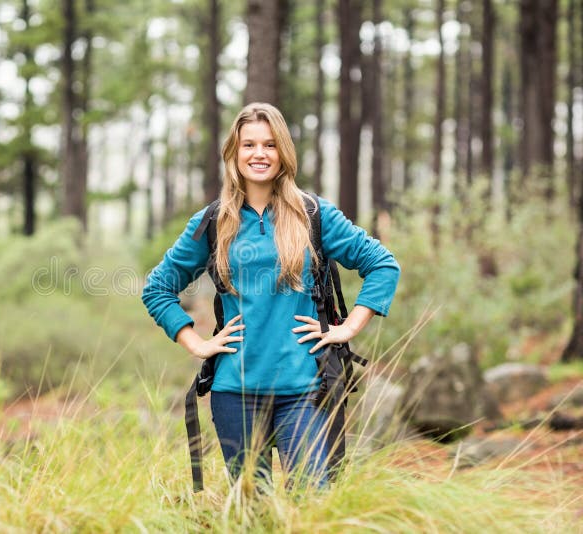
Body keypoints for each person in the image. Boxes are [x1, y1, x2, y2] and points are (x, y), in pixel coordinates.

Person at [142, 102, 400, 490]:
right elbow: (157, 288)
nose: (259, 154)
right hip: (234, 394)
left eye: (269, 144)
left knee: (312, 501)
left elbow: (382, 265)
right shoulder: (212, 221)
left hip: (305, 391)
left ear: (283, 153)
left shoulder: (314, 214)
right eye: (249, 145)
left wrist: (348, 327)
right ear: (234, 152)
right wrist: (195, 342)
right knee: (252, 513)